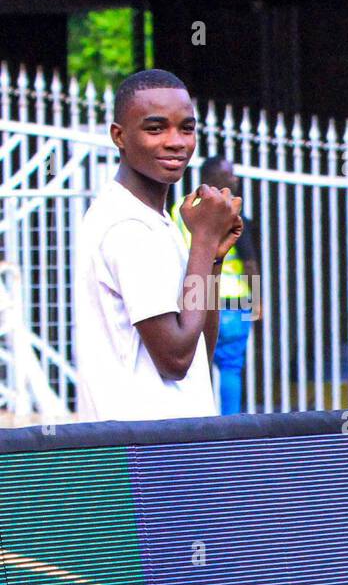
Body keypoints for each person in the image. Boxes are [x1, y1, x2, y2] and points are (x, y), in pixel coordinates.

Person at [74, 68, 241, 421]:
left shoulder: (155, 222)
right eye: (155, 128)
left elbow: (198, 351)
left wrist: (212, 257)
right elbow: (175, 360)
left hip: (173, 448)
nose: (176, 141)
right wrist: (203, 240)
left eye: (186, 128)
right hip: (142, 454)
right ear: (119, 136)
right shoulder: (127, 225)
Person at [171, 157, 263, 414]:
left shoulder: (180, 208)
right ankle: (229, 427)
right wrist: (256, 301)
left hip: (193, 299)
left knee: (195, 367)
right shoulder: (228, 211)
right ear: (214, 178)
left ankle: (200, 422)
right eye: (229, 174)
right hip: (233, 303)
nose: (234, 179)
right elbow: (250, 263)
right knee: (231, 367)